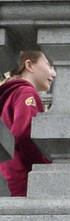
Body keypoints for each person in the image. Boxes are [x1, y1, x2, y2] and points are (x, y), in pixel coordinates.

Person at [0, 50, 55, 196]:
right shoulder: (26, 92)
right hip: (21, 180)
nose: (53, 74)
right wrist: (46, 165)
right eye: (49, 65)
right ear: (29, 65)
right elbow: (24, 133)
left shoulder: (9, 93)